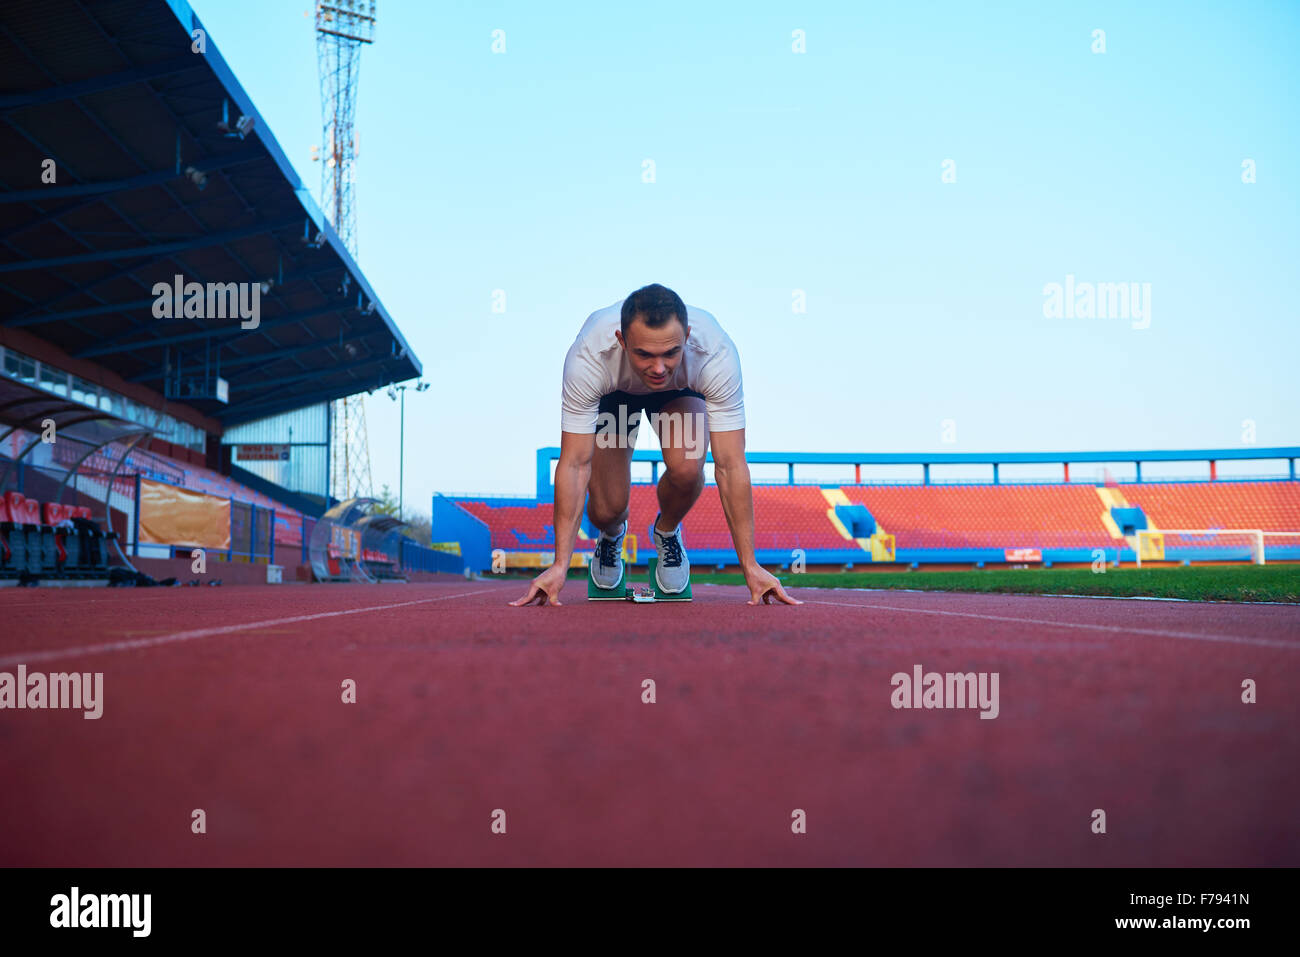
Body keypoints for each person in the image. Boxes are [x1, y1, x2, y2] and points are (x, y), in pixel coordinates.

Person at [511, 283, 801, 607]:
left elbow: (731, 465)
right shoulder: (589, 357)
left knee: (690, 468)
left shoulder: (715, 354)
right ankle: (610, 536)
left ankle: (667, 531)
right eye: (645, 354)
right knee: (607, 509)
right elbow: (575, 463)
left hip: (679, 391)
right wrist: (560, 565)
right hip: (615, 393)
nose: (659, 367)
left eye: (670, 352)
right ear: (621, 341)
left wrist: (750, 565)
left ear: (687, 337)